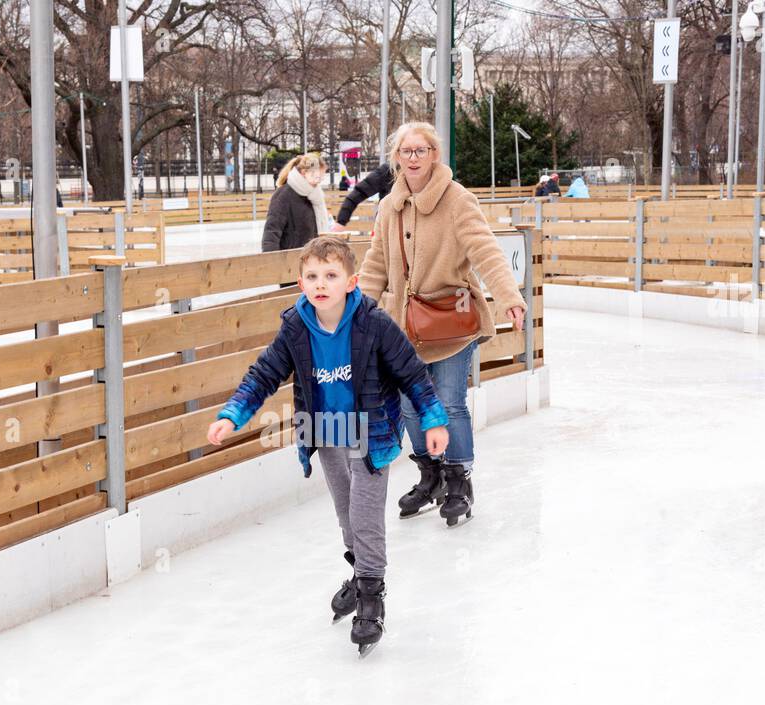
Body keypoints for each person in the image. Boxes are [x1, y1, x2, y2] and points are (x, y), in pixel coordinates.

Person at [206, 235, 450, 657]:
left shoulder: (373, 324)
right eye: (313, 276)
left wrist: (432, 420)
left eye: (331, 275)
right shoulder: (296, 327)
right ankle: (360, 573)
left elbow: (412, 374)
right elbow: (264, 374)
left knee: (364, 512)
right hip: (325, 430)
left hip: (370, 431)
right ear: (301, 283)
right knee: (344, 510)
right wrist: (233, 414)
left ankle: (372, 594)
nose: (321, 284)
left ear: (351, 282)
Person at [358, 121, 527, 527]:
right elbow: (376, 263)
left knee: (448, 402)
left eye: (421, 150)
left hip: (452, 322)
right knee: (410, 407)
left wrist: (509, 298)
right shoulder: (389, 207)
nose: (413, 158)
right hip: (404, 328)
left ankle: (458, 480)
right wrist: (356, 313)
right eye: (405, 151)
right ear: (396, 159)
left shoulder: (457, 200)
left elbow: (486, 251)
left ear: (435, 155)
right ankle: (430, 475)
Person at [261, 152, 331, 252]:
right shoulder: (283, 195)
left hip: (313, 259)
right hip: (290, 260)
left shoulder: (315, 196)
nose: (319, 181)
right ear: (304, 172)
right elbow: (271, 233)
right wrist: (272, 263)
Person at [333, 161, 394, 230]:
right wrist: (341, 221)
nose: (409, 158)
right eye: (406, 151)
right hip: (386, 230)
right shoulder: (388, 171)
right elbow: (357, 194)